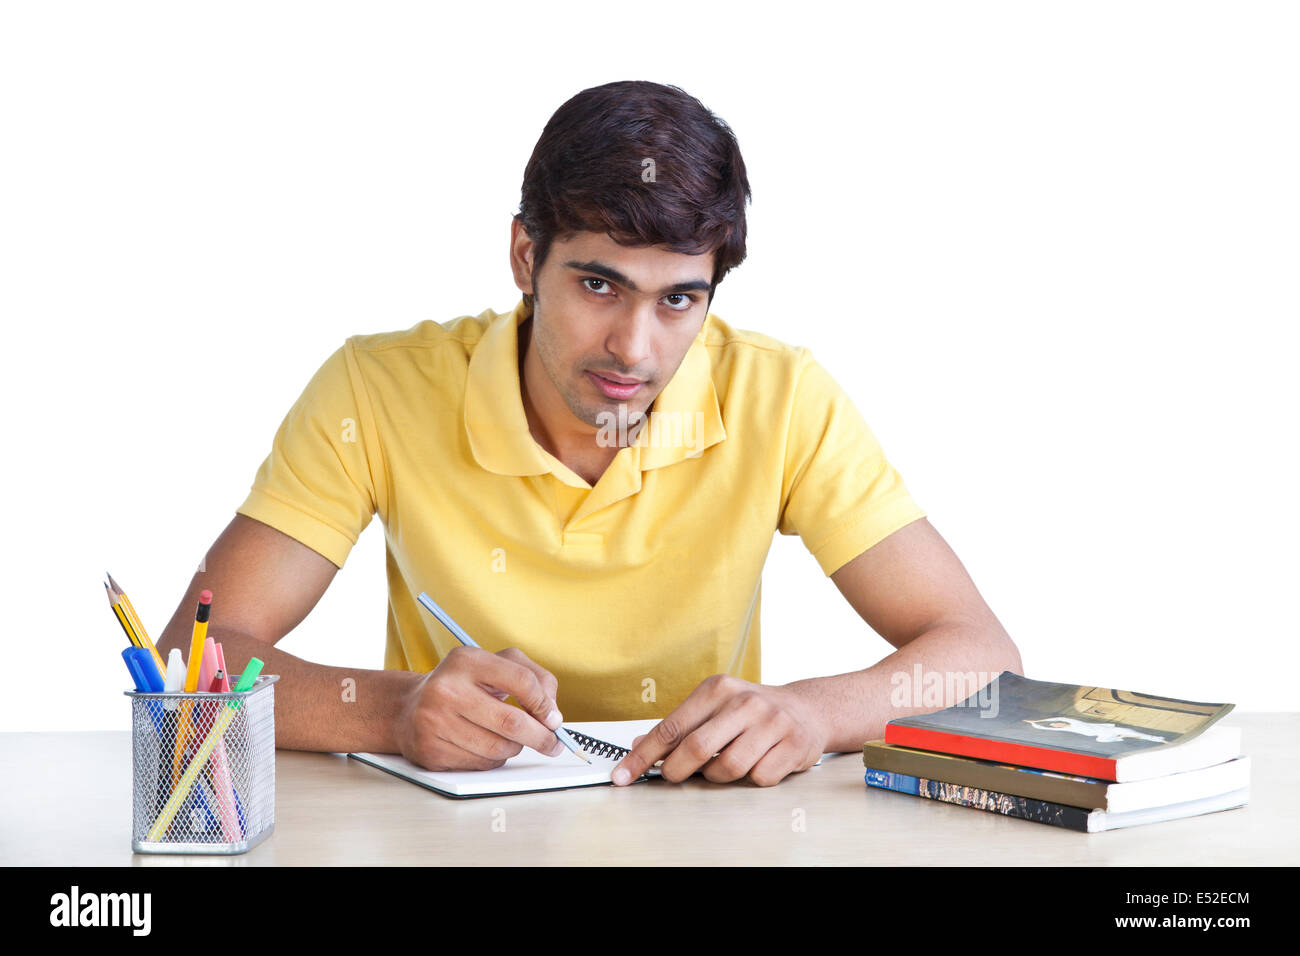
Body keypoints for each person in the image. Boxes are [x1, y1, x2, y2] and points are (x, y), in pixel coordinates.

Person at [156, 80, 1022, 788]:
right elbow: (190, 660)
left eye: (679, 298)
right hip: (450, 837)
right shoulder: (376, 388)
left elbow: (981, 656)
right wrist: (394, 709)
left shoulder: (783, 395)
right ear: (526, 257)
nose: (634, 350)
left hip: (702, 828)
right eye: (600, 286)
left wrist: (813, 714)